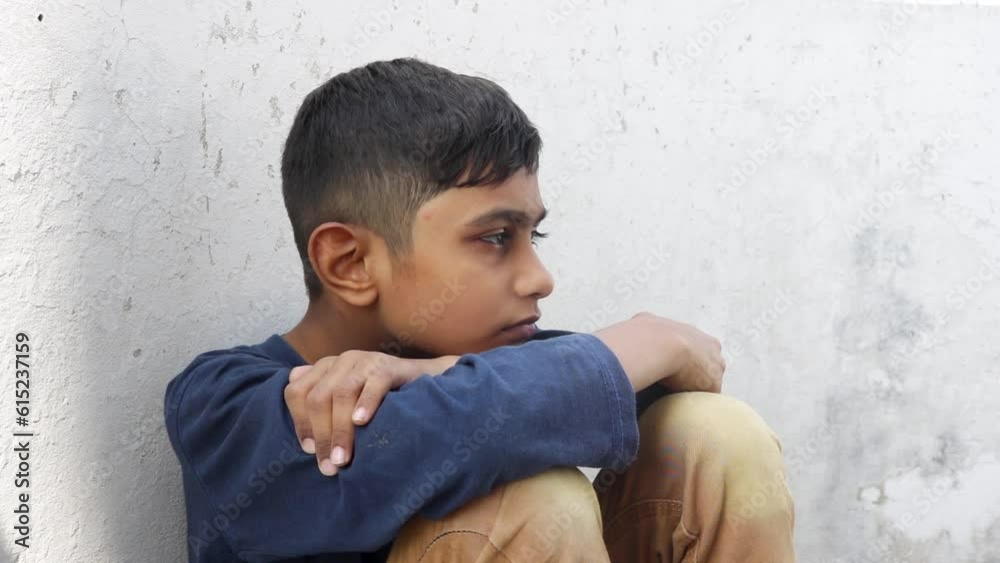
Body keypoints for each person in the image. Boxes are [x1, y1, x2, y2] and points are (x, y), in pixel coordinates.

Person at [164, 58, 796, 562]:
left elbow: (679, 378)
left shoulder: (504, 362)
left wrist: (433, 370)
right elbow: (453, 425)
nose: (540, 279)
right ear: (350, 263)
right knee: (532, 501)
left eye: (533, 237)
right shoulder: (225, 405)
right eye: (496, 238)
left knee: (715, 438)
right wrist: (650, 336)